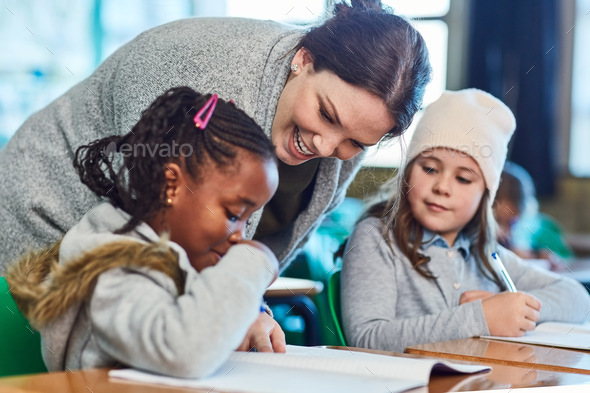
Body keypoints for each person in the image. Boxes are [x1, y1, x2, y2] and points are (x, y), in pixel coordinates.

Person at [0, 0, 431, 273]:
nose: (325, 147)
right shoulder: (213, 79)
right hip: (37, 233)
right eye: (325, 113)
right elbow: (158, 235)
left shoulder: (353, 128)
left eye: (356, 142)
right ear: (304, 58)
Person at [5, 87, 281, 378]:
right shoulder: (115, 267)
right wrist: (252, 262)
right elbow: (183, 351)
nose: (240, 236)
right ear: (171, 185)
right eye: (235, 214)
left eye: (247, 222)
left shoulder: (184, 261)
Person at [341, 89, 590, 352]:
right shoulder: (376, 237)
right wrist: (482, 317)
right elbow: (367, 338)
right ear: (407, 172)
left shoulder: (483, 252)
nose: (442, 187)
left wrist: (509, 306)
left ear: (485, 195)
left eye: (463, 178)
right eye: (429, 168)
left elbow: (578, 298)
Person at [494, 161, 574, 269]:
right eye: (497, 221)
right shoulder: (480, 233)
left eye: (511, 222)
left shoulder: (538, 227)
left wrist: (540, 255)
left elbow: (566, 259)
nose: (506, 232)